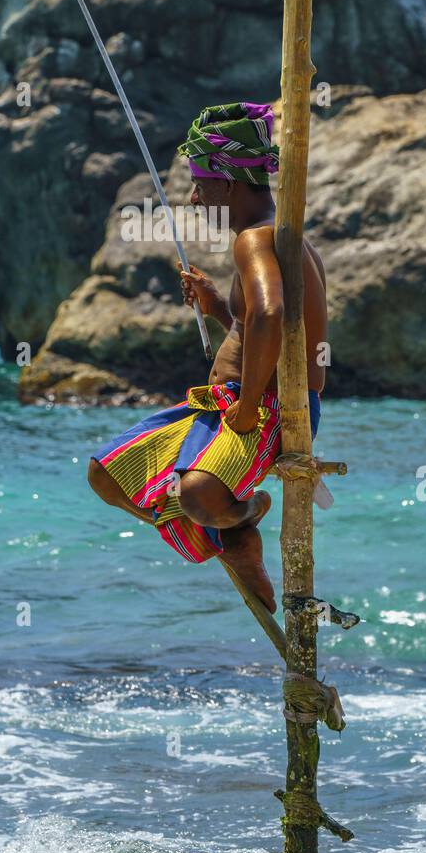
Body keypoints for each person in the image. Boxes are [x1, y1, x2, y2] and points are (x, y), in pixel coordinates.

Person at [87, 101, 327, 611]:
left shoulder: (256, 239)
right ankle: (227, 538)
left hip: (265, 409)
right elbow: (260, 323)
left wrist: (243, 412)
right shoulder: (274, 240)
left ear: (230, 182)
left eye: (200, 184)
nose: (195, 198)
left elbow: (268, 314)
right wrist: (221, 309)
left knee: (198, 496)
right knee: (106, 474)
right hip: (223, 403)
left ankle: (236, 524)